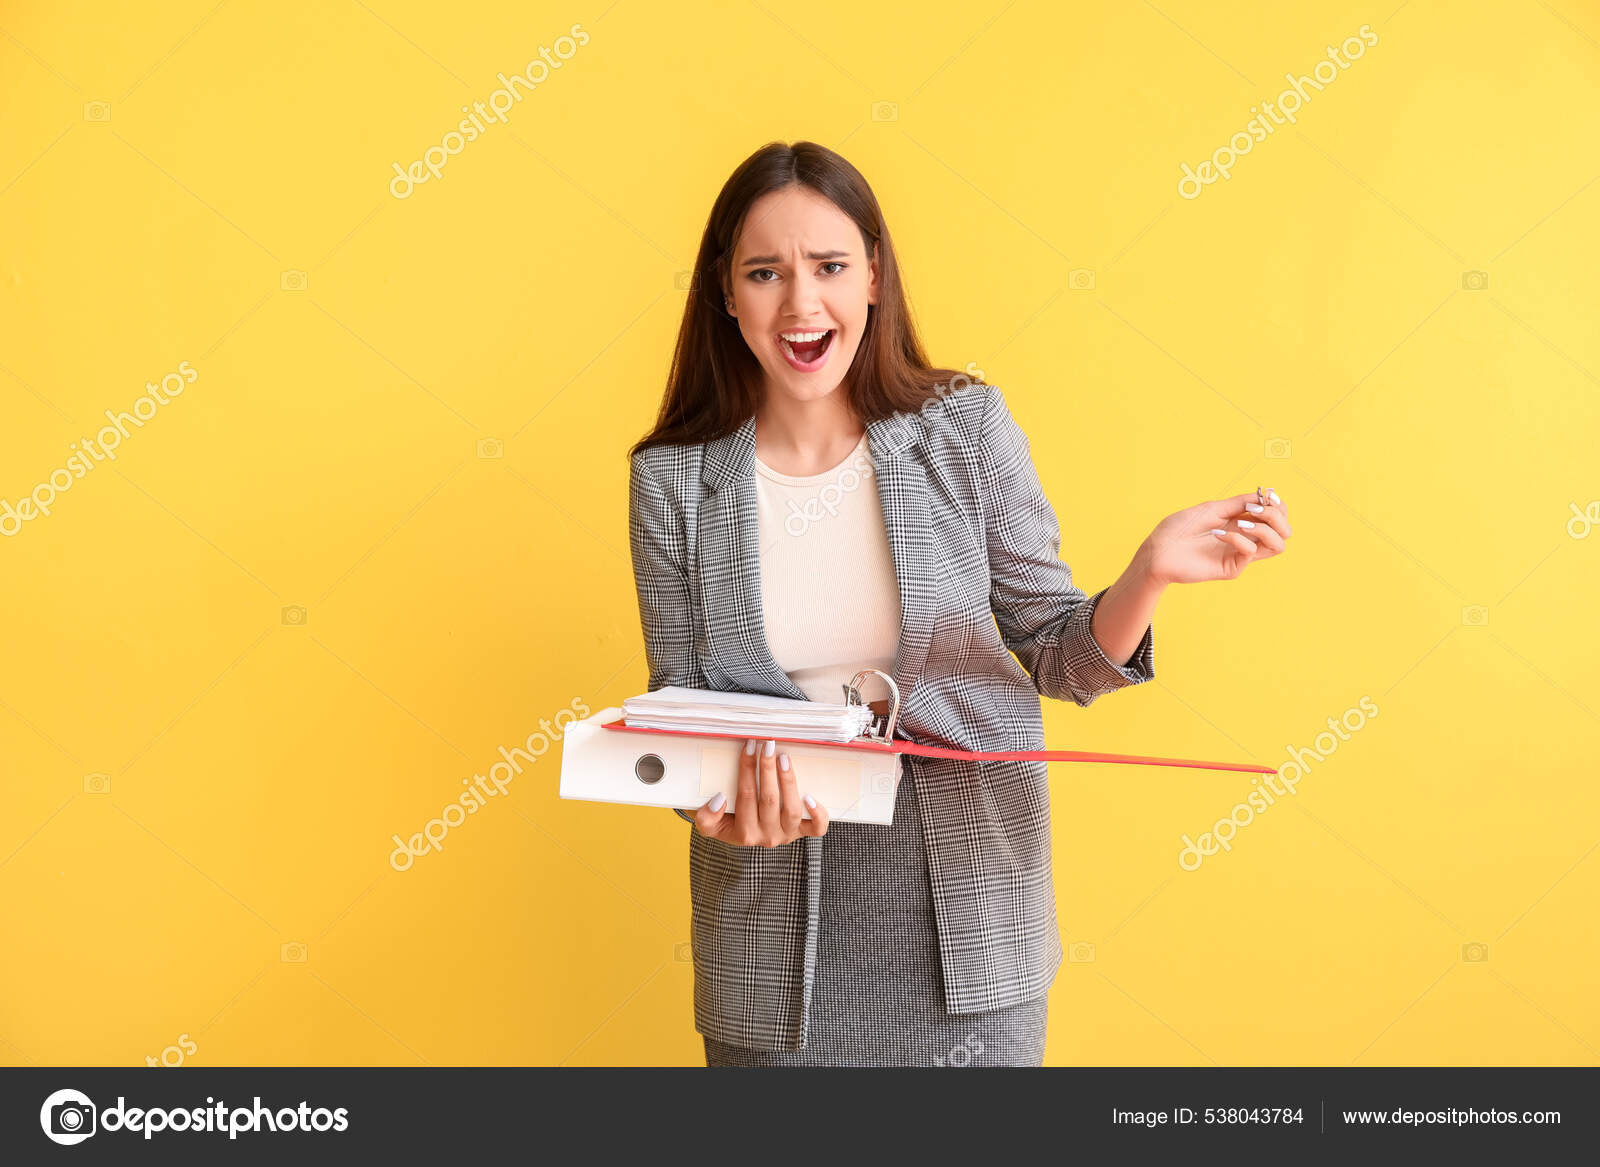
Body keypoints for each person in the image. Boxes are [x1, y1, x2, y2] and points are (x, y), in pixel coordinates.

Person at [626, 140, 1292, 1066]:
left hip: (969, 926)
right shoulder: (671, 482)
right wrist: (719, 802)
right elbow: (680, 717)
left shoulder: (965, 430)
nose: (801, 303)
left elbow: (1060, 656)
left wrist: (1148, 573)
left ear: (874, 277)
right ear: (725, 293)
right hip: (772, 951)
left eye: (829, 266)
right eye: (765, 272)